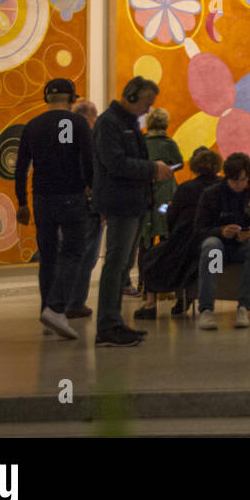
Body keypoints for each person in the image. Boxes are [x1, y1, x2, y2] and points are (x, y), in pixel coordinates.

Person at [92, 77, 174, 347]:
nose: (148, 110)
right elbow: (115, 163)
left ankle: (115, 322)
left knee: (124, 265)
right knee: (116, 265)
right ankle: (107, 326)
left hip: (135, 202)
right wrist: (152, 169)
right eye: (146, 103)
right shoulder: (109, 123)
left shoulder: (128, 124)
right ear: (130, 95)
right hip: (121, 203)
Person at [14, 78, 93, 340]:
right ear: (72, 100)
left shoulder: (33, 126)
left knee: (47, 256)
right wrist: (92, 189)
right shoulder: (79, 123)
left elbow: (21, 167)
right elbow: (88, 160)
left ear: (46, 98)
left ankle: (46, 313)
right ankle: (56, 309)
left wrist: (22, 203)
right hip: (72, 196)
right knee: (72, 252)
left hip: (42, 199)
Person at [141, 146, 223, 315]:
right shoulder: (223, 186)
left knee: (150, 256)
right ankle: (183, 299)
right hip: (217, 238)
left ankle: (150, 304)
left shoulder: (186, 188)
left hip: (187, 242)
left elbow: (172, 217)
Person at [193, 152, 250, 329]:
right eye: (235, 180)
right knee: (212, 247)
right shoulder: (211, 194)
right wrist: (221, 232)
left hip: (243, 245)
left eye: (243, 180)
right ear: (227, 177)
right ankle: (207, 309)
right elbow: (199, 229)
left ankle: (244, 307)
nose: (239, 185)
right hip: (218, 245)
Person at [133, 109, 183, 319]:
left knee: (145, 242)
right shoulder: (169, 143)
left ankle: (145, 285)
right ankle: (168, 286)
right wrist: (168, 170)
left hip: (145, 193)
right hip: (166, 194)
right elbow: (179, 163)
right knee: (166, 239)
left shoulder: (141, 143)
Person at [66, 100, 102, 319]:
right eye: (95, 115)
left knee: (70, 252)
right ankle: (75, 302)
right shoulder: (90, 140)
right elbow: (94, 173)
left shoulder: (66, 139)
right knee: (87, 255)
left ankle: (65, 300)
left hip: (67, 202)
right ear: (89, 118)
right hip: (88, 204)